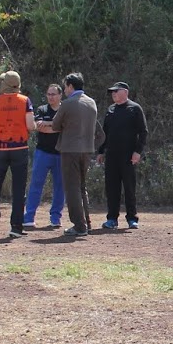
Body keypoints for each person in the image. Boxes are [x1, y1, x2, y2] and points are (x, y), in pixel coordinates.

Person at [40, 73, 103, 237]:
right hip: (86, 151)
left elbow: (55, 125)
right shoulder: (91, 103)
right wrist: (91, 146)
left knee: (72, 188)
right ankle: (87, 223)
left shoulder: (67, 104)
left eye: (66, 87)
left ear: (70, 86)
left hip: (70, 151)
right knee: (82, 187)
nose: (65, 90)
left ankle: (79, 225)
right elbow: (100, 133)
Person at [0, 70, 35, 239]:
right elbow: (31, 125)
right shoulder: (25, 101)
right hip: (19, 148)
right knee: (18, 189)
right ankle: (16, 227)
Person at [98, 81, 149, 229]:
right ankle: (112, 219)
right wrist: (101, 151)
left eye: (116, 91)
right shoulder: (111, 109)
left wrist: (138, 152)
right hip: (111, 156)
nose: (113, 94)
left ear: (125, 92)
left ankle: (132, 218)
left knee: (129, 187)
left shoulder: (135, 108)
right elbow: (104, 133)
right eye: (112, 92)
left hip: (128, 156)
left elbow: (143, 132)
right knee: (111, 188)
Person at [23, 83, 65, 228]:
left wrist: (50, 125)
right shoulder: (42, 109)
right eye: (48, 94)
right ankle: (28, 217)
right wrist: (57, 126)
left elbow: (65, 127)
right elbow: (39, 127)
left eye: (53, 94)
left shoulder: (65, 109)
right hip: (43, 153)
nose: (51, 97)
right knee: (36, 185)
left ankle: (55, 218)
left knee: (60, 187)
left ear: (60, 95)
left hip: (61, 154)